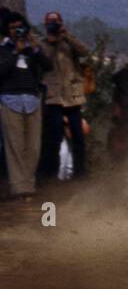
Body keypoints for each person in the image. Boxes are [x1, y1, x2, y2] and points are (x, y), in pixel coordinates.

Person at [0, 12, 52, 200]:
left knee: (33, 146)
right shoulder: (4, 49)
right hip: (10, 99)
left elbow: (48, 66)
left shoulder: (32, 49)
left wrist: (34, 49)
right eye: (13, 27)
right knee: (15, 146)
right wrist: (15, 53)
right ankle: (18, 187)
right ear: (7, 29)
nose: (17, 31)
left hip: (32, 100)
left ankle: (28, 184)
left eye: (20, 27)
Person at [38, 11, 91, 179]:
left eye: (56, 24)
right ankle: (51, 174)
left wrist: (66, 36)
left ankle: (80, 172)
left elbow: (84, 52)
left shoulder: (69, 43)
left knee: (78, 136)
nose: (53, 27)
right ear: (45, 26)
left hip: (72, 97)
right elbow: (42, 62)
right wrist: (51, 43)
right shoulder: (42, 45)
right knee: (53, 138)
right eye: (50, 25)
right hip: (53, 97)